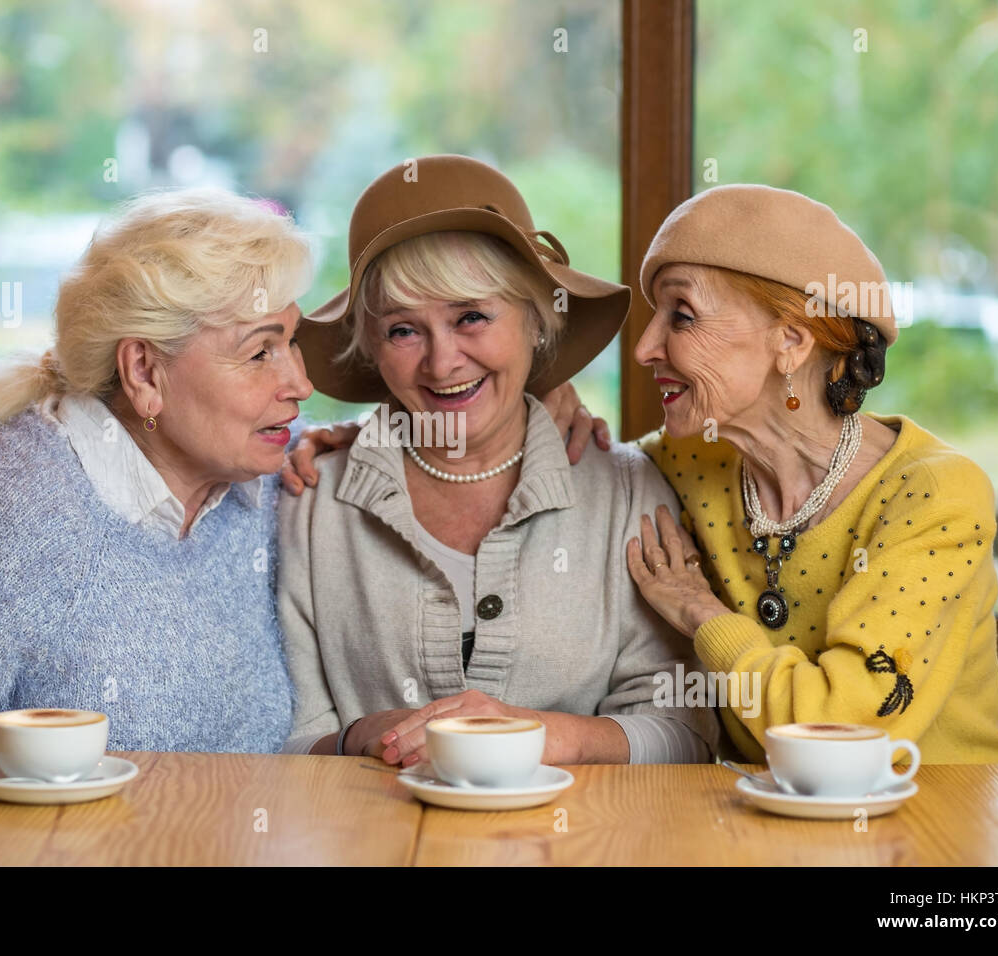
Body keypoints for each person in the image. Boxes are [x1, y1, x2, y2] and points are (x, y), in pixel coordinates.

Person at [0, 189, 314, 753]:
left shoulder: (264, 470)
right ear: (143, 371)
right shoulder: (7, 516)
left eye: (292, 341)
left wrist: (351, 442)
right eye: (261, 353)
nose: (300, 385)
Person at [278, 154, 719, 767]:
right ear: (370, 348)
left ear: (536, 321)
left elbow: (685, 733)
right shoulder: (308, 501)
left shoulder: (628, 494)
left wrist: (544, 733)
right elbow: (288, 740)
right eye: (404, 330)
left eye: (472, 318)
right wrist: (363, 734)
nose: (442, 363)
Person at [625, 184, 998, 763]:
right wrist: (555, 405)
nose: (644, 348)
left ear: (790, 341)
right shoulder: (691, 459)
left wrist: (700, 611)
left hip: (933, 832)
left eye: (681, 316)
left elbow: (844, 732)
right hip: (770, 827)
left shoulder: (935, 497)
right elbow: (594, 468)